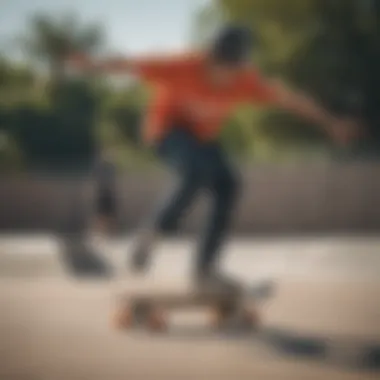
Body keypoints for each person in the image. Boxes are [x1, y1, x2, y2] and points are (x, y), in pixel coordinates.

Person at [67, 25, 362, 293]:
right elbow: (129, 65)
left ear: (239, 66)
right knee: (194, 173)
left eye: (230, 71)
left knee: (228, 185)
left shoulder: (245, 81)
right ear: (209, 57)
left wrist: (330, 122)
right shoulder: (181, 65)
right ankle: (151, 234)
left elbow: (290, 100)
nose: (222, 77)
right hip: (166, 132)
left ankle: (204, 270)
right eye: (217, 68)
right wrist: (90, 64)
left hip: (204, 140)